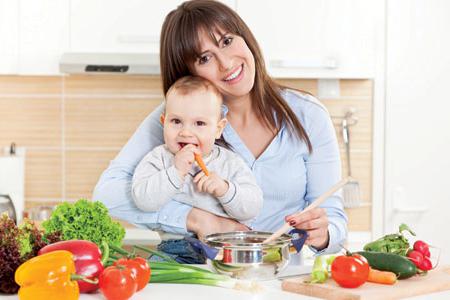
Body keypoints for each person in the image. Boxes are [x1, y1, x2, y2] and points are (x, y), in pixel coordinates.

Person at [93, 0, 347, 257]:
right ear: (188, 72)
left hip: (281, 278)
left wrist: (323, 233)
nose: (226, 63)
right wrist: (198, 219)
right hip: (204, 277)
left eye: (226, 41)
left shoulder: (308, 115)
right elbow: (107, 195)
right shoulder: (177, 124)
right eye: (204, 58)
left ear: (245, 37)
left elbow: (335, 220)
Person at [131, 75, 263, 225]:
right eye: (176, 121)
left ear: (218, 129)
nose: (186, 132)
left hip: (225, 243)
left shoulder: (230, 163)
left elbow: (253, 208)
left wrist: (224, 189)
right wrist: (176, 172)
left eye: (199, 123)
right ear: (164, 122)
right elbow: (142, 201)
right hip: (177, 245)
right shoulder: (158, 158)